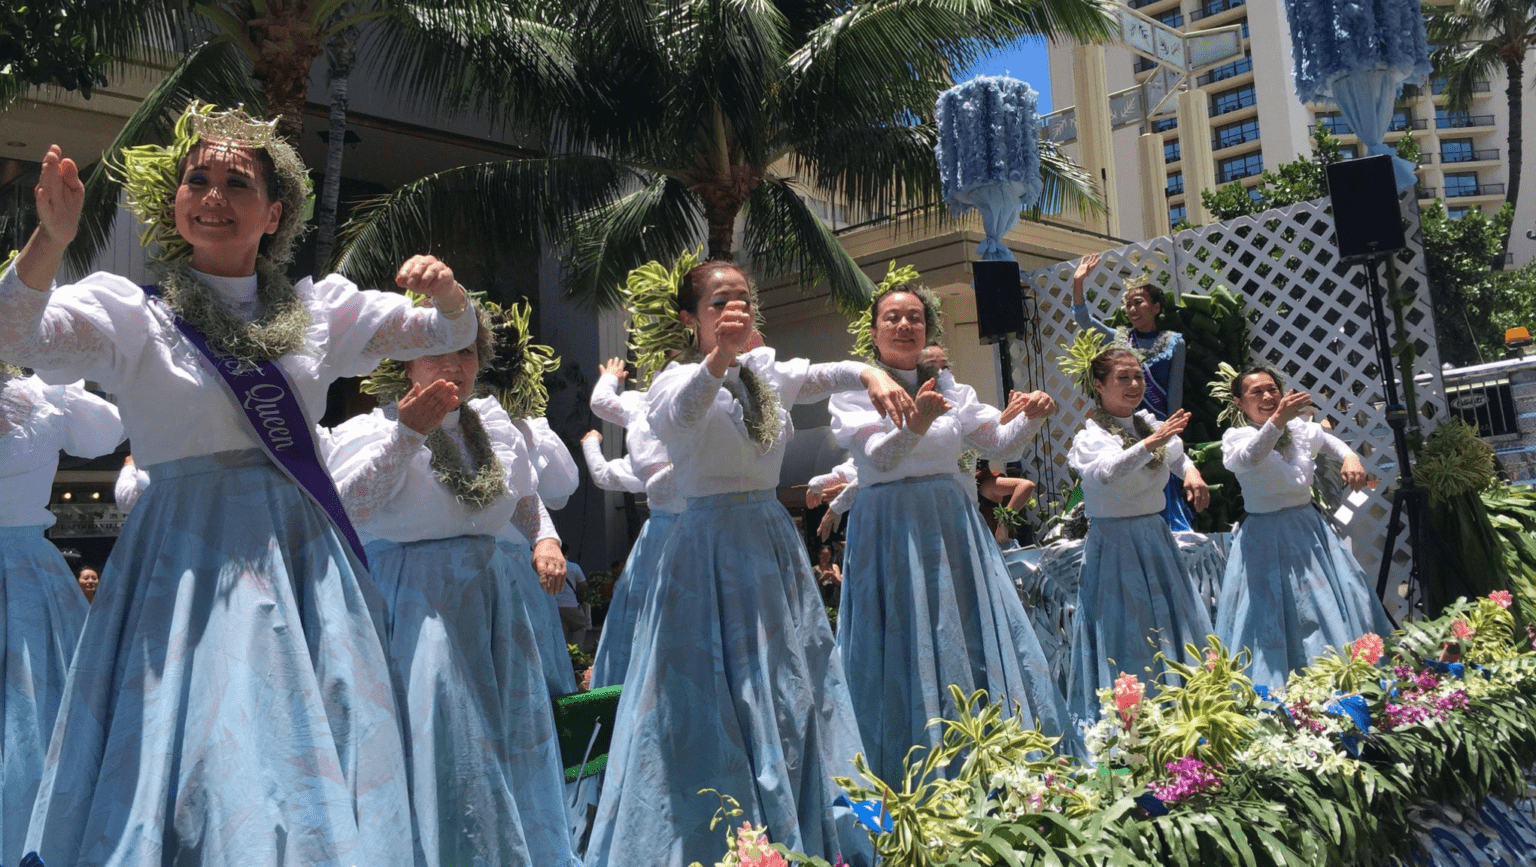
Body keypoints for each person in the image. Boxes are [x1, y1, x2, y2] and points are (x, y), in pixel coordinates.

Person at [3, 102, 474, 865]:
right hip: (179, 566)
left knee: (299, 732)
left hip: (297, 555)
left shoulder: (319, 312)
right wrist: (49, 242)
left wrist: (448, 294)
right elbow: (18, 333)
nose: (213, 193)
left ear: (275, 212)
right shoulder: (133, 316)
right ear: (176, 200)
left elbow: (446, 335)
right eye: (199, 178)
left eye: (236, 180)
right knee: (187, 752)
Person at [585, 258, 915, 867]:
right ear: (691, 318)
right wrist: (718, 358)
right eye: (717, 303)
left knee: (802, 683)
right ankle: (721, 839)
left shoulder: (767, 373)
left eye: (742, 299)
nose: (733, 310)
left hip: (770, 544)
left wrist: (869, 371)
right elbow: (681, 415)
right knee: (707, 698)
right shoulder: (673, 381)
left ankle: (839, 831)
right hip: (704, 551)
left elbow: (824, 372)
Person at [328, 313, 577, 867]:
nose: (453, 364)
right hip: (419, 603)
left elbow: (525, 495)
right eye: (435, 349)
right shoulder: (370, 429)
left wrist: (546, 539)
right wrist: (407, 435)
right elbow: (348, 505)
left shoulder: (493, 424)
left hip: (492, 598)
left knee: (508, 732)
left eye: (465, 352)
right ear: (405, 361)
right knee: (444, 732)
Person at [830, 282, 1080, 783]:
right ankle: (908, 758)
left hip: (951, 520)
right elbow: (879, 458)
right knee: (902, 630)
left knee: (962, 628)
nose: (905, 326)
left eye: (915, 319)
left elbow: (994, 438)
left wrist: (1030, 417)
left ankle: (985, 746)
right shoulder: (855, 391)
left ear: (928, 329)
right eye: (893, 318)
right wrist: (916, 423)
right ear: (874, 333)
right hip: (889, 525)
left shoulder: (948, 386)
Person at [0, 369, 122, 863]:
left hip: (30, 573)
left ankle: (39, 838)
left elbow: (108, 430)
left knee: (41, 709)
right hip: (32, 570)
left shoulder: (48, 395)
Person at [1213, 365, 1392, 689]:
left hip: (1308, 530)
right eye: (1257, 392)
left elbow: (1330, 442)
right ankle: (1280, 688)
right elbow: (1251, 457)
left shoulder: (1301, 429)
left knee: (1325, 605)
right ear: (1239, 403)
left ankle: (1339, 679)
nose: (1267, 396)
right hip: (1263, 537)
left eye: (1272, 389)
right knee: (1269, 612)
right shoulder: (1236, 438)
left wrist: (1351, 457)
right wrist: (1277, 420)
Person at [1064, 342, 1213, 720]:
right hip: (1115, 546)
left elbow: (1177, 456)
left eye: (1138, 377)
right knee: (1125, 633)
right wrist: (1152, 443)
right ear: (1098, 385)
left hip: (1155, 539)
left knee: (1170, 625)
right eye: (1123, 378)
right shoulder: (1092, 436)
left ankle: (1180, 715)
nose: (1134, 384)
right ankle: (1127, 727)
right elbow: (1107, 473)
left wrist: (1192, 473)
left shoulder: (1147, 424)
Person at [581, 357, 686, 689]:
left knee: (650, 624)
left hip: (661, 534)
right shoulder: (711, 400)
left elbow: (600, 404)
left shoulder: (643, 418)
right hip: (702, 527)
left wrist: (591, 443)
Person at [1071, 253, 1192, 530]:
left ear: (1156, 307)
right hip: (1123, 425)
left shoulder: (1174, 342)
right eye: (1127, 305)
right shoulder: (1121, 339)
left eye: (1138, 302)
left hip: (1155, 426)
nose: (1131, 309)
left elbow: (1174, 391)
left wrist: (1171, 432)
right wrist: (1078, 283)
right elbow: (1084, 320)